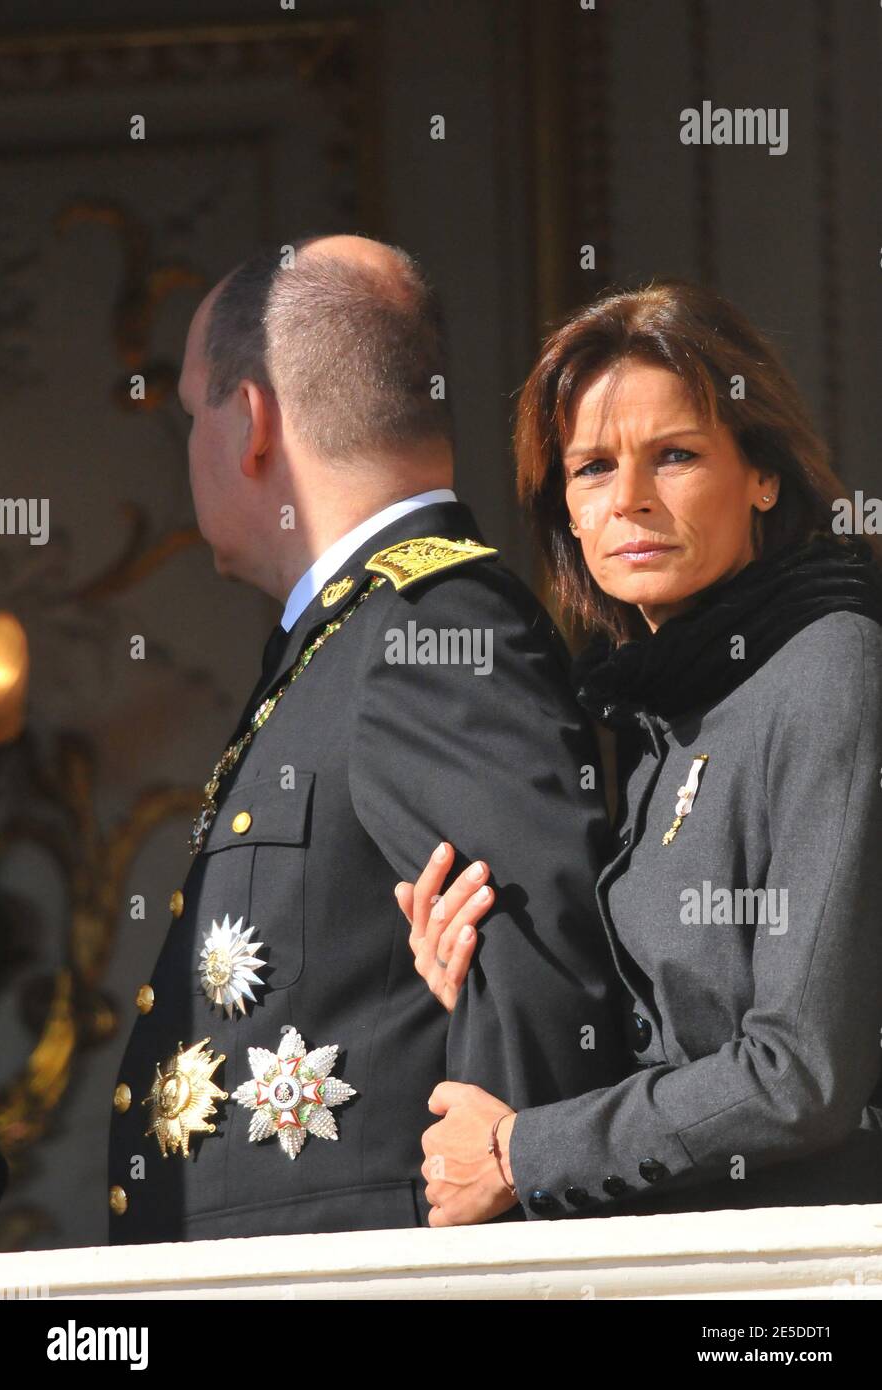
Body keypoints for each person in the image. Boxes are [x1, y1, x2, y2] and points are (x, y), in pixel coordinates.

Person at [106, 236, 631, 1244]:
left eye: (191, 414)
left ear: (252, 420)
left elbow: (540, 984)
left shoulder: (430, 629)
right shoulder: (349, 638)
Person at [396, 276, 882, 1226]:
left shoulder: (832, 667)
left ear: (762, 474)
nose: (630, 500)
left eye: (675, 456)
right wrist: (489, 976)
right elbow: (654, 1042)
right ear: (565, 513)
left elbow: (800, 1077)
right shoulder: (654, 710)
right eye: (590, 469)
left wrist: (521, 1152)